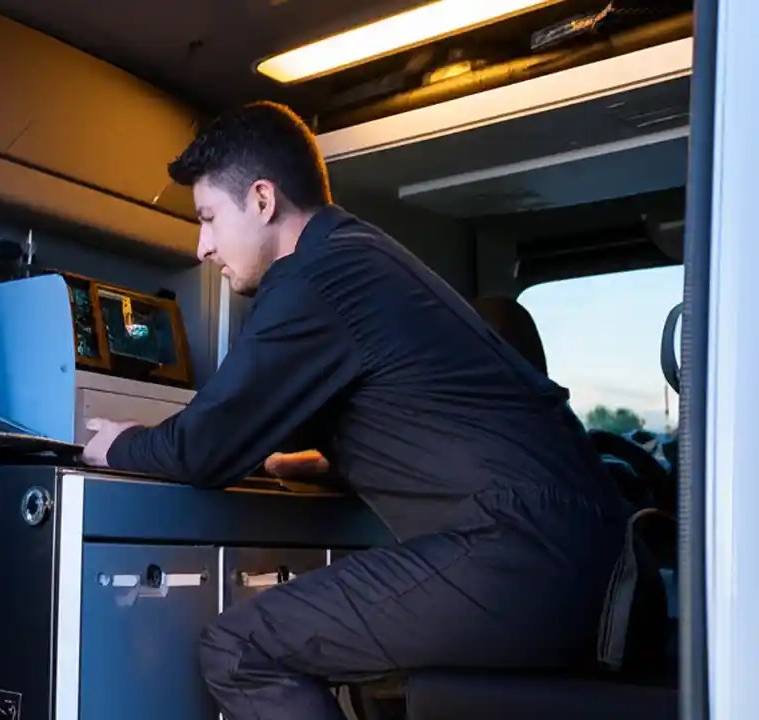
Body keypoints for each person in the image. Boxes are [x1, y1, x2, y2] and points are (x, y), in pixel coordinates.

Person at [80, 101, 626, 719]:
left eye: (208, 218)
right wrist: (330, 464)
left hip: (522, 554)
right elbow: (420, 417)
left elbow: (203, 447)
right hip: (572, 553)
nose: (203, 246)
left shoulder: (314, 278)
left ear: (262, 200)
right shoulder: (357, 253)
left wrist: (118, 443)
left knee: (241, 650)